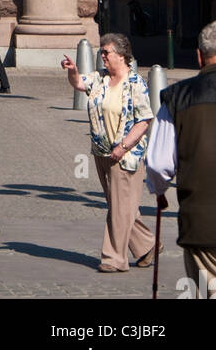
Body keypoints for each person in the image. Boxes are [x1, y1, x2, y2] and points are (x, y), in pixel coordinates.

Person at [61, 33, 155, 272]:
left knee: (119, 208)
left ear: (121, 55)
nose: (102, 56)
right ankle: (147, 245)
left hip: (126, 155)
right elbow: (79, 83)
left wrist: (124, 146)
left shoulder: (135, 84)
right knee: (121, 206)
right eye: (101, 52)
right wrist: (72, 70)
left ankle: (113, 258)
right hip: (101, 152)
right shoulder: (100, 79)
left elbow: (144, 120)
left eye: (106, 52)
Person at [146, 19, 216, 298]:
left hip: (201, 223)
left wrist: (160, 191)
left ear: (198, 56)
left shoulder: (177, 97)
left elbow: (158, 164)